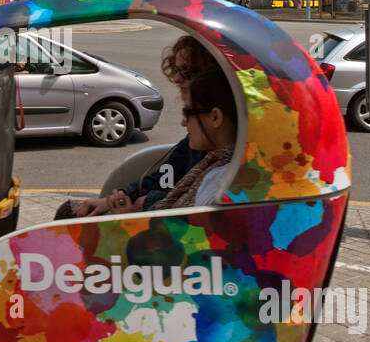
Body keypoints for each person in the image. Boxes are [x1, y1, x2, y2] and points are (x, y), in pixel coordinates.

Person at [60, 36, 217, 218]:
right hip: (148, 214)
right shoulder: (198, 140)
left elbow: (185, 212)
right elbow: (165, 175)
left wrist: (137, 209)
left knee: (69, 214)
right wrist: (120, 197)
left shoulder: (219, 163)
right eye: (176, 69)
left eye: (187, 71)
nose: (176, 78)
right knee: (71, 210)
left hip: (153, 228)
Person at [153, 69, 241, 209]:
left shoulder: (219, 180)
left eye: (188, 112)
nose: (183, 123)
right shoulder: (218, 165)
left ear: (215, 117)